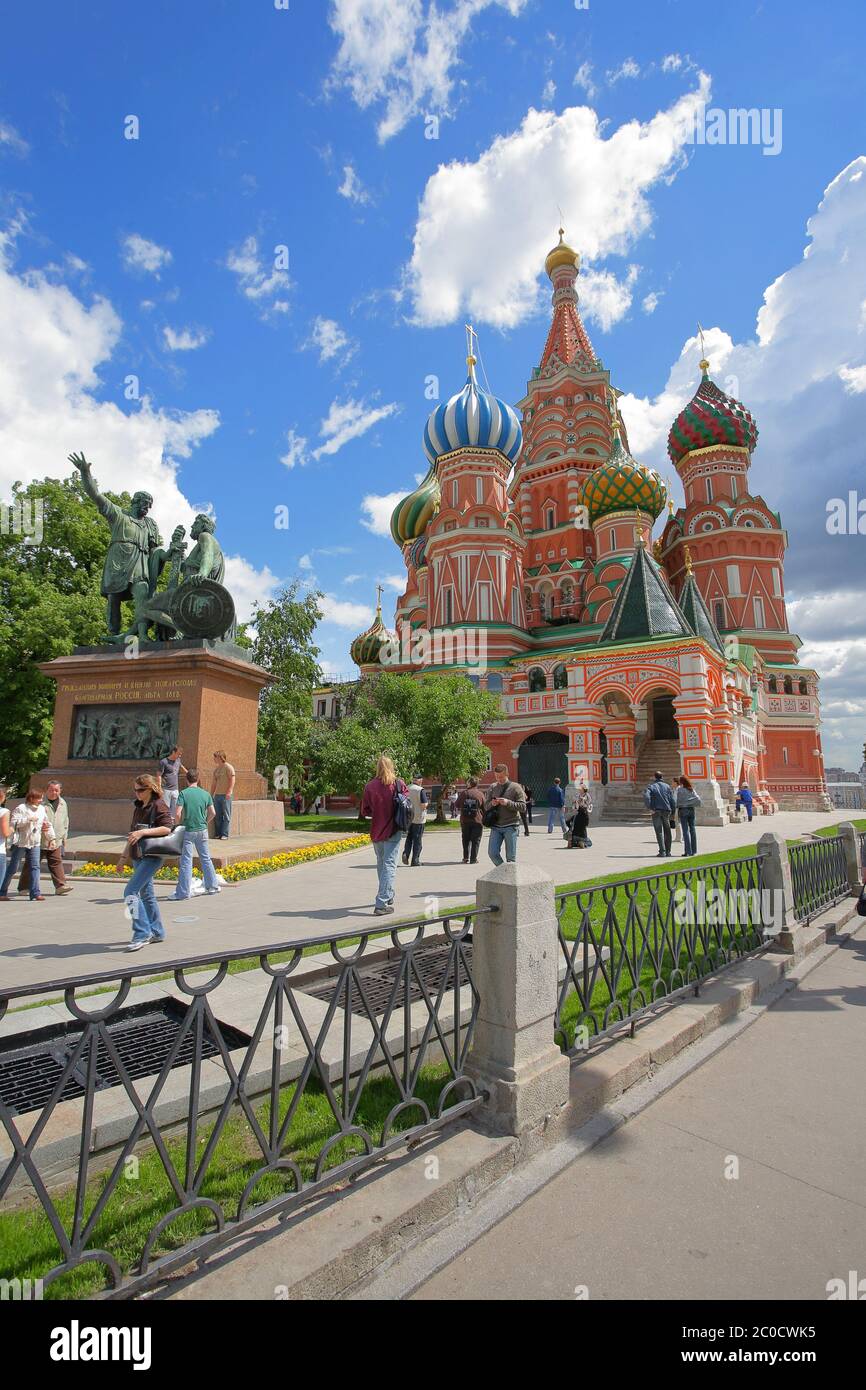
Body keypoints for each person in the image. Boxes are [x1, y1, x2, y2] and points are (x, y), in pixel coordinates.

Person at [122, 773, 173, 950]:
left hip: (152, 856)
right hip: (138, 855)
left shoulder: (158, 805)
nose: (137, 793)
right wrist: (123, 857)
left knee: (130, 892)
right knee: (147, 896)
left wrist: (143, 832)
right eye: (135, 790)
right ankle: (157, 932)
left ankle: (141, 933)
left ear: (150, 789)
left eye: (140, 790)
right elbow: (132, 835)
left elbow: (167, 827)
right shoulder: (139, 807)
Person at [361, 755, 406, 915]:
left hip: (377, 830)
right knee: (389, 865)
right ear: (391, 766)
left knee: (381, 864)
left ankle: (388, 894)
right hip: (393, 829)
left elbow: (364, 811)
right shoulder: (398, 784)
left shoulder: (370, 786)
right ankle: (381, 903)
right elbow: (406, 804)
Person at [168, 769, 220, 900]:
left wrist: (178, 824)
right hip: (202, 829)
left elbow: (178, 813)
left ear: (187, 779)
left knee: (186, 860)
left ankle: (183, 892)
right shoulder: (205, 794)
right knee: (206, 858)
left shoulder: (183, 794)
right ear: (198, 779)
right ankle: (212, 886)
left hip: (189, 830)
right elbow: (213, 813)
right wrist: (205, 822)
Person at [16, 781, 74, 897]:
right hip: (38, 839)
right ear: (46, 790)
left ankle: (60, 886)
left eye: (56, 790)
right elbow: (29, 816)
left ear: (60, 791)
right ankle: (24, 887)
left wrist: (64, 836)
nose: (54, 793)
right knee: (32, 863)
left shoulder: (63, 803)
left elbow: (65, 820)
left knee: (56, 862)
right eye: (51, 790)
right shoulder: (40, 803)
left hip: (55, 839)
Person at [0, 789, 51, 902]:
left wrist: (51, 837)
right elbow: (14, 823)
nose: (41, 800)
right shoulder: (21, 808)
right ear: (31, 798)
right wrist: (27, 820)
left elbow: (46, 823)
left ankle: (35, 893)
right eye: (39, 798)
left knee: (35, 866)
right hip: (20, 841)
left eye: (41, 798)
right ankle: (2, 891)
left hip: (34, 842)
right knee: (13, 868)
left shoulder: (42, 809)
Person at [485, 764, 526, 866]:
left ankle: (509, 877)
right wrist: (492, 804)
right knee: (492, 853)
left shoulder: (516, 787)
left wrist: (508, 803)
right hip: (496, 826)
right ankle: (503, 872)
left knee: (510, 858)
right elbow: (486, 806)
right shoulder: (492, 787)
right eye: (496, 777)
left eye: (501, 777)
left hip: (511, 825)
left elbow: (523, 807)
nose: (499, 779)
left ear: (507, 774)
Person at [644, 770, 676, 857]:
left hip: (656, 810)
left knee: (659, 831)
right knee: (667, 831)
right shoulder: (667, 786)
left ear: (654, 777)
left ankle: (662, 851)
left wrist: (650, 807)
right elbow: (672, 800)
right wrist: (673, 811)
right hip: (666, 810)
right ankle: (668, 851)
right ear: (662, 777)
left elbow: (646, 797)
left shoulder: (651, 786)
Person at [401, 774, 429, 867]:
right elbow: (423, 805)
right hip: (418, 818)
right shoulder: (420, 790)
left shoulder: (406, 788)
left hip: (408, 818)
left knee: (409, 837)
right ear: (420, 780)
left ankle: (406, 853)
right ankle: (415, 860)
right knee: (417, 840)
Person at [458, 777, 484, 864]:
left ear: (469, 783)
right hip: (477, 820)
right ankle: (473, 859)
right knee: (476, 840)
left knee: (465, 839)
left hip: (465, 820)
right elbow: (485, 807)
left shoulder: (464, 793)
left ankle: (465, 858)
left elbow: (457, 804)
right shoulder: (480, 794)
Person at [211, 750, 236, 839]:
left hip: (226, 795)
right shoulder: (216, 770)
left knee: (226, 815)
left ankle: (225, 834)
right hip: (217, 795)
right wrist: (211, 794)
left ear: (220, 757)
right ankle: (218, 833)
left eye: (215, 757)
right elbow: (214, 784)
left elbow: (232, 780)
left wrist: (229, 791)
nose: (214, 759)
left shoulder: (228, 767)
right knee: (217, 815)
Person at [675, 775, 702, 856]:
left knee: (685, 831)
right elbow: (698, 799)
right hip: (691, 810)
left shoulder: (680, 790)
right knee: (692, 829)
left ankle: (687, 851)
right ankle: (694, 850)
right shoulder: (691, 789)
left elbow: (677, 800)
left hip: (683, 810)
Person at [158, 746, 187, 819]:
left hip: (175, 789)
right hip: (166, 789)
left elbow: (182, 767)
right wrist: (159, 788)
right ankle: (165, 825)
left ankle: (172, 826)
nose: (179, 756)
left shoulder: (178, 760)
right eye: (178, 754)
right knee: (166, 809)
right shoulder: (163, 762)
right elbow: (159, 775)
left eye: (180, 755)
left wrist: (190, 774)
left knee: (175, 810)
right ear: (173, 752)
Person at [569, 783, 593, 847]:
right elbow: (574, 803)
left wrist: (582, 801)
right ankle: (582, 843)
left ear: (583, 789)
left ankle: (574, 842)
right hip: (581, 813)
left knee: (577, 826)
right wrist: (575, 802)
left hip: (582, 812)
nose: (579, 789)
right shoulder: (578, 795)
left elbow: (589, 803)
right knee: (589, 841)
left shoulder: (587, 795)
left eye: (580, 788)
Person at [670, 777, 683, 845]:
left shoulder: (679, 789)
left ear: (675, 782)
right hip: (676, 807)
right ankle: (678, 837)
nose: (671, 783)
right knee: (677, 823)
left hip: (679, 807)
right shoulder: (674, 789)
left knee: (678, 823)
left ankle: (679, 837)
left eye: (672, 782)